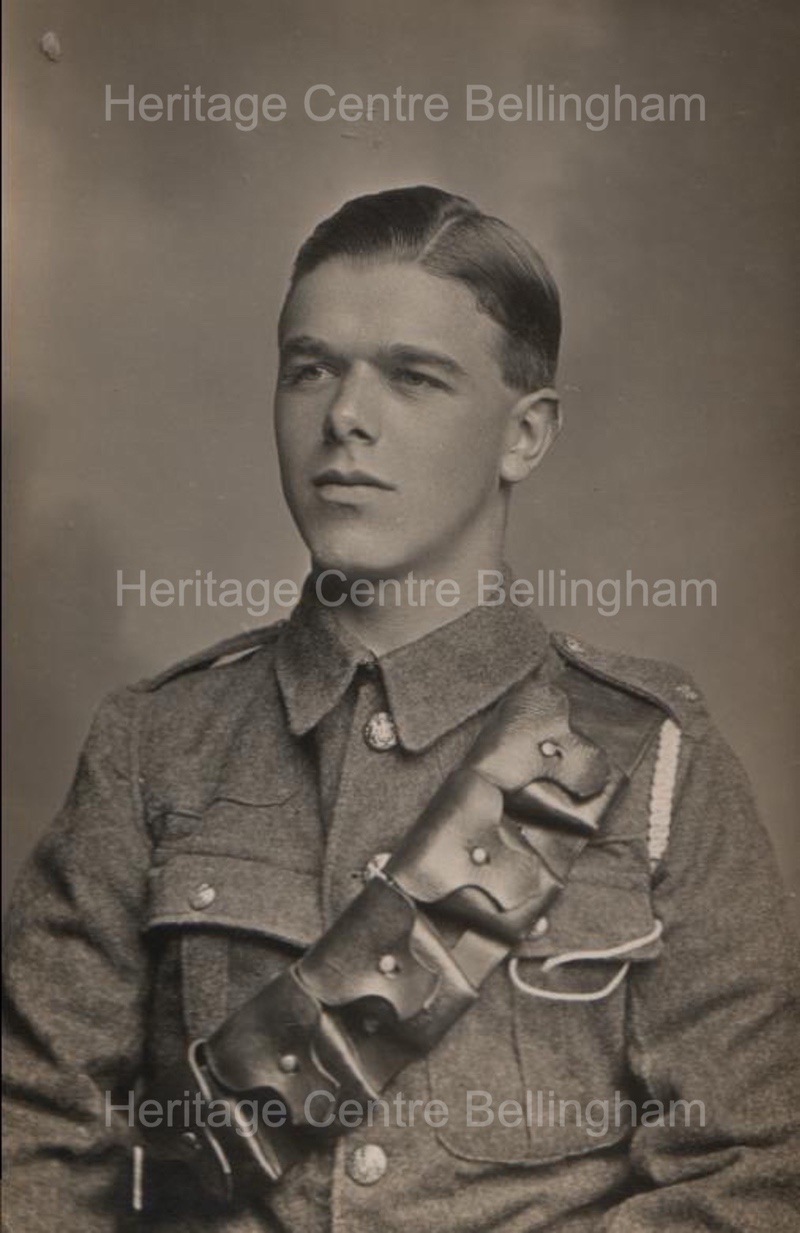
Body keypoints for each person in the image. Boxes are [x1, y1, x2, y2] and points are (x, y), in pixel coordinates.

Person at [3, 185, 798, 1232]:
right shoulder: (155, 746)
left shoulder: (654, 759)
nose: (344, 418)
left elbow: (746, 1169)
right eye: (309, 369)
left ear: (524, 435)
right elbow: (37, 1141)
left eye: (413, 378)